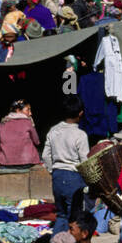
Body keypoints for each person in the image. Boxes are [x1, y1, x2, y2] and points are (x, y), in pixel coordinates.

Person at [41, 94, 89, 235]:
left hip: (57, 176)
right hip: (73, 178)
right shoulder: (80, 135)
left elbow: (45, 155)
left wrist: (52, 170)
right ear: (81, 113)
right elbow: (85, 161)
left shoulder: (53, 131)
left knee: (61, 214)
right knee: (74, 216)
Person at [0, 100, 41, 168]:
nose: (30, 113)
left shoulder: (2, 124)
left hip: (6, 162)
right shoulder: (28, 122)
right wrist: (33, 125)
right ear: (18, 110)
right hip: (27, 162)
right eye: (28, 110)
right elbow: (37, 141)